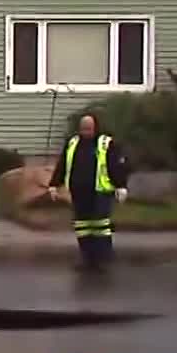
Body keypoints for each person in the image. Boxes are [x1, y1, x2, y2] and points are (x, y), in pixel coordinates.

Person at [49, 113, 130, 269]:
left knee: (100, 225)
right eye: (83, 128)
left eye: (89, 128)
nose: (85, 131)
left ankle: (103, 258)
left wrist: (121, 186)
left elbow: (116, 166)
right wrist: (54, 184)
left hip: (100, 191)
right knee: (82, 226)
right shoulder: (73, 143)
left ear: (95, 128)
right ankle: (87, 258)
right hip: (78, 191)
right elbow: (63, 164)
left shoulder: (106, 143)